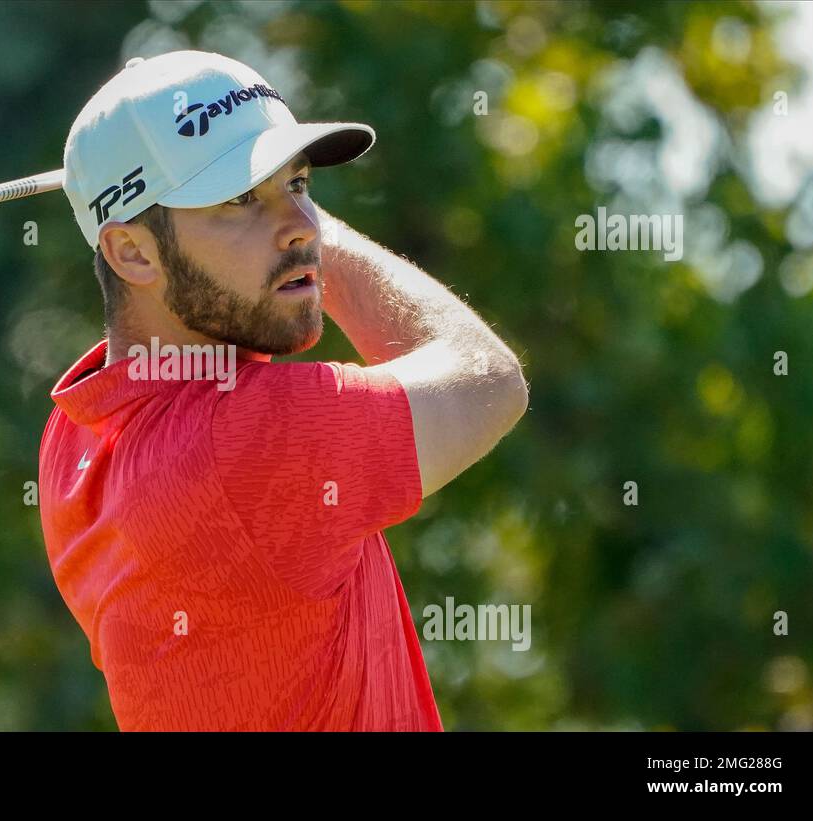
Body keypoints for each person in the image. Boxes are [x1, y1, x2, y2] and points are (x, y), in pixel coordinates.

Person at [38, 50, 528, 731]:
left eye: (298, 183)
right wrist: (322, 234)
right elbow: (488, 379)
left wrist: (270, 207)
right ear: (132, 253)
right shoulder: (241, 445)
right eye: (241, 199)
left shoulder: (76, 439)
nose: (302, 225)